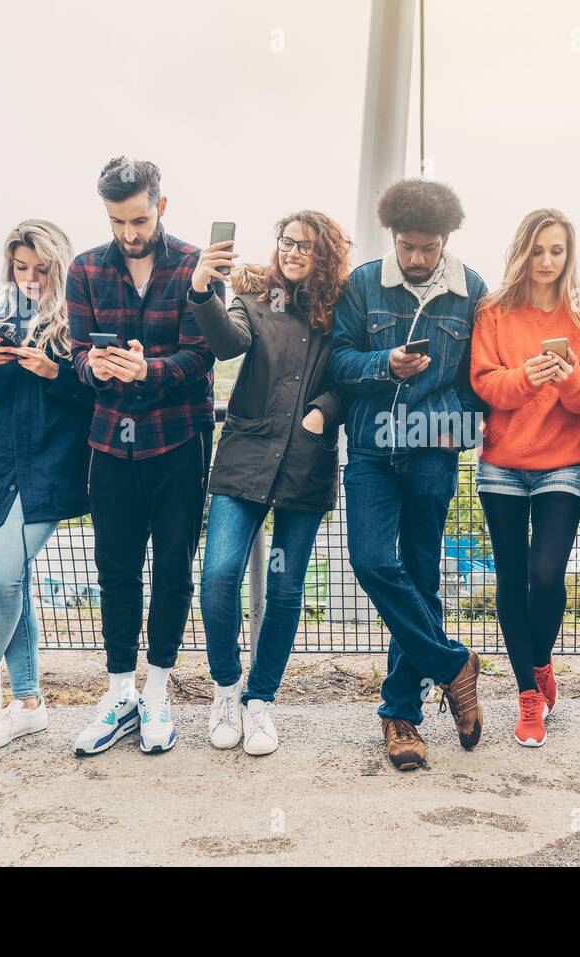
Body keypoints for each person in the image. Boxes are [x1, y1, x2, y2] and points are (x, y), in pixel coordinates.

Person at [329, 178, 488, 771]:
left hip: (432, 449)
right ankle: (453, 666)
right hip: (371, 446)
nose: (417, 257)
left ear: (445, 239)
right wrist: (383, 364)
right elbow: (339, 360)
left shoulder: (472, 291)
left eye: (427, 247)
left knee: (421, 576)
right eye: (407, 246)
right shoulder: (363, 283)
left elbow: (479, 381)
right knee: (371, 561)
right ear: (392, 237)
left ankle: (402, 717)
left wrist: (458, 431)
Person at [67, 157, 214, 757]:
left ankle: (158, 690)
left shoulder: (195, 265)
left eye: (138, 219)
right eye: (117, 221)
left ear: (161, 206)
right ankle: (119, 690)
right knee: (115, 568)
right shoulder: (84, 269)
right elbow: (76, 352)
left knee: (175, 568)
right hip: (108, 440)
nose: (129, 233)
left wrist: (149, 370)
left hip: (179, 438)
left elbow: (204, 355)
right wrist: (93, 366)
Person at [190, 210, 351, 756]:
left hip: (306, 463)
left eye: (307, 246)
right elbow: (227, 344)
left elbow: (350, 374)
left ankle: (261, 702)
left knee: (284, 591)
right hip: (245, 457)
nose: (294, 252)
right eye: (288, 242)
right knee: (218, 578)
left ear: (324, 254)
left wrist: (324, 411)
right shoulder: (256, 297)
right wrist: (202, 292)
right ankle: (226, 689)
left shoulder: (340, 312)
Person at [0, 220, 92, 753]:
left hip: (49, 468)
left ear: (59, 266)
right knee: (12, 586)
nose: (30, 278)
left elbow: (96, 398)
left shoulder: (81, 319)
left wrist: (56, 374)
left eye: (41, 269)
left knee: (0, 578)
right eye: (20, 268)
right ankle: (30, 703)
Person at [470, 208, 580, 747]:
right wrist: (524, 379)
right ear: (522, 251)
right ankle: (528, 695)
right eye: (539, 250)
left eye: (558, 251)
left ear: (569, 255)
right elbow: (484, 384)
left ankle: (541, 660)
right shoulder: (494, 313)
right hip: (502, 463)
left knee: (546, 576)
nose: (548, 261)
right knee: (510, 577)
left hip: (561, 464)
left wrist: (569, 380)